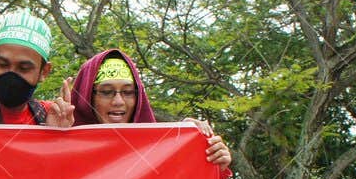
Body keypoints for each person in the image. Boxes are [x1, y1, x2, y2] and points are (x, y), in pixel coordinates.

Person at [63, 48, 232, 168]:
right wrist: (54, 135)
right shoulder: (61, 149)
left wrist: (197, 152)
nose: (118, 101)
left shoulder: (159, 154)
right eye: (107, 92)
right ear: (87, 97)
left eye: (128, 92)